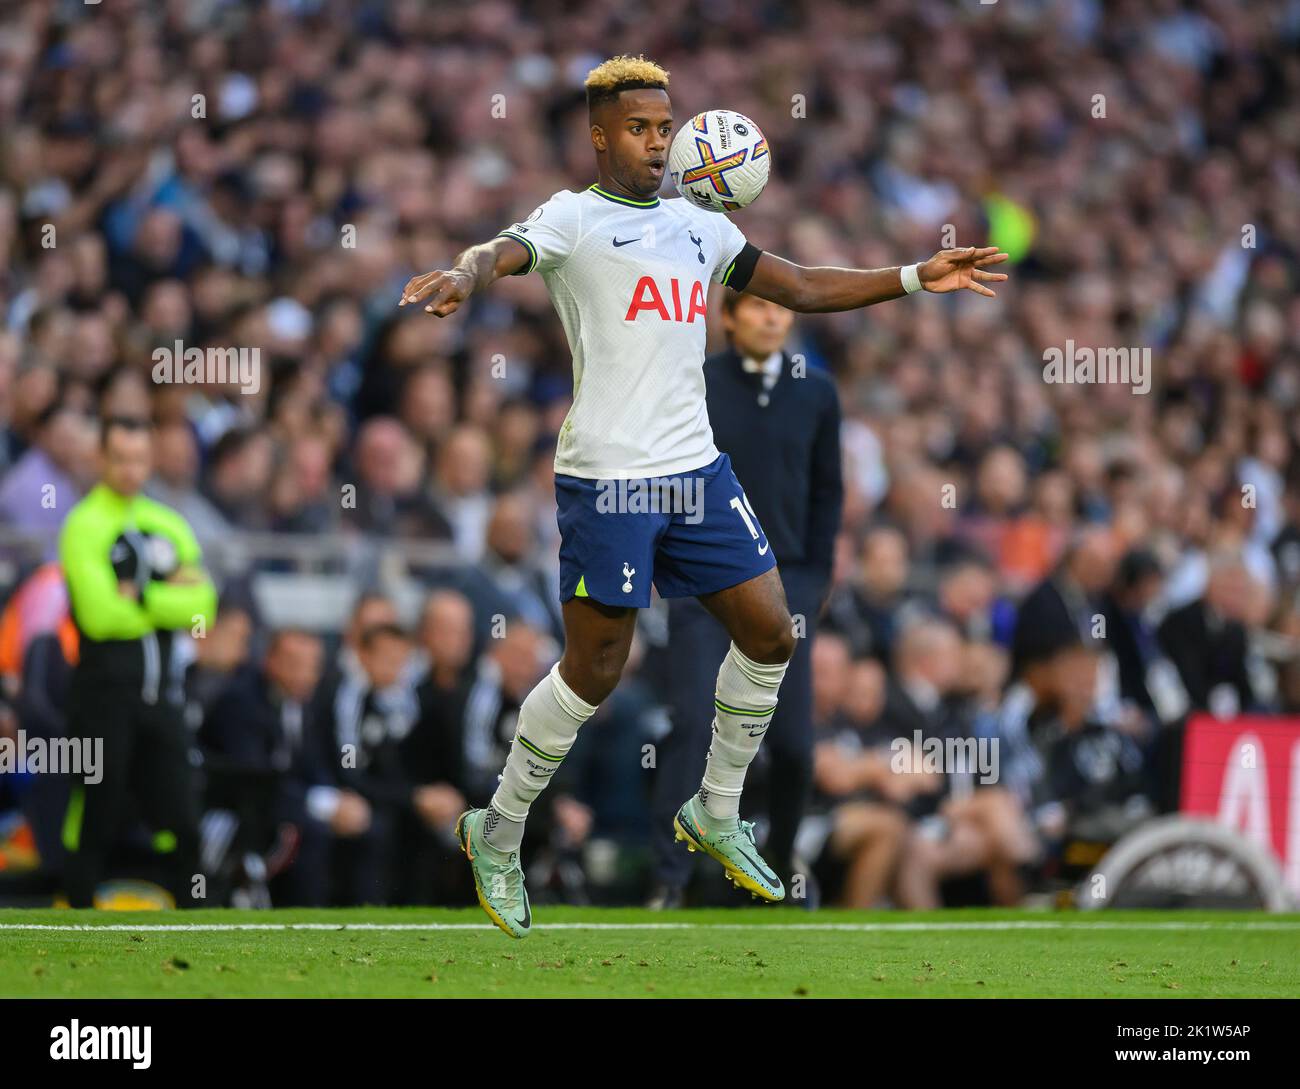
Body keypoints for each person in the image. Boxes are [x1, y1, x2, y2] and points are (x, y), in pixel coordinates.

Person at [399, 54, 1008, 938]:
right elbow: (504, 250)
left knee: (771, 631)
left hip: (695, 470)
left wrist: (914, 276)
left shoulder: (701, 225)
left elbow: (796, 284)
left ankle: (715, 809)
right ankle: (497, 830)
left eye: (664, 126)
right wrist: (466, 274)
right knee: (595, 671)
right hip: (608, 478)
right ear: (602, 134)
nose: (657, 142)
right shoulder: (575, 217)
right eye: (640, 129)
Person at [648, 290, 842, 906]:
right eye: (756, 306)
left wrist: (812, 581)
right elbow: (666, 478)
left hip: (787, 592)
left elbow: (826, 496)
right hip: (706, 587)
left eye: (781, 308)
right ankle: (669, 880)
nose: (770, 317)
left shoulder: (817, 391)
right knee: (691, 726)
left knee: (792, 744)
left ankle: (781, 867)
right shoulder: (695, 385)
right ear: (727, 318)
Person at [58, 416, 218, 908]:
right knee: (98, 811)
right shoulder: (84, 524)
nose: (131, 470)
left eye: (140, 459)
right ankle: (76, 913)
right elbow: (100, 615)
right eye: (120, 459)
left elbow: (202, 607)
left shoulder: (167, 522)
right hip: (104, 695)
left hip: (161, 696)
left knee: (181, 813)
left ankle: (192, 915)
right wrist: (167, 601)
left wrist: (142, 594)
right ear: (101, 460)